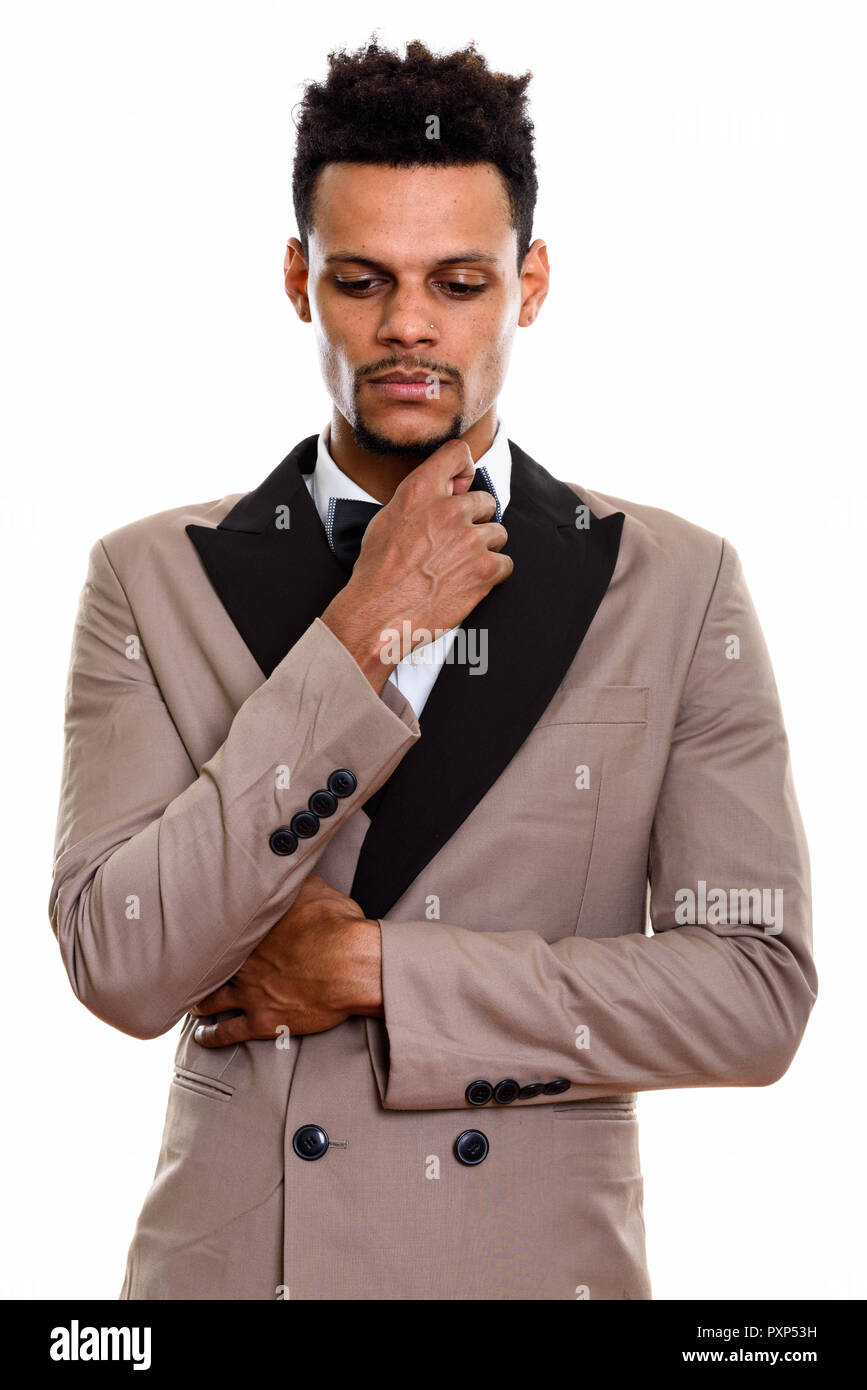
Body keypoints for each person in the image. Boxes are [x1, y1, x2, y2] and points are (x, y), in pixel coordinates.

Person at [49, 38, 816, 1301]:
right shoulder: (148, 578)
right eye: (363, 280)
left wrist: (380, 973)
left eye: (459, 281)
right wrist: (361, 638)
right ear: (298, 279)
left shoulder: (681, 586)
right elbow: (119, 962)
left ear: (533, 281)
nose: (408, 327)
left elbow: (754, 991)